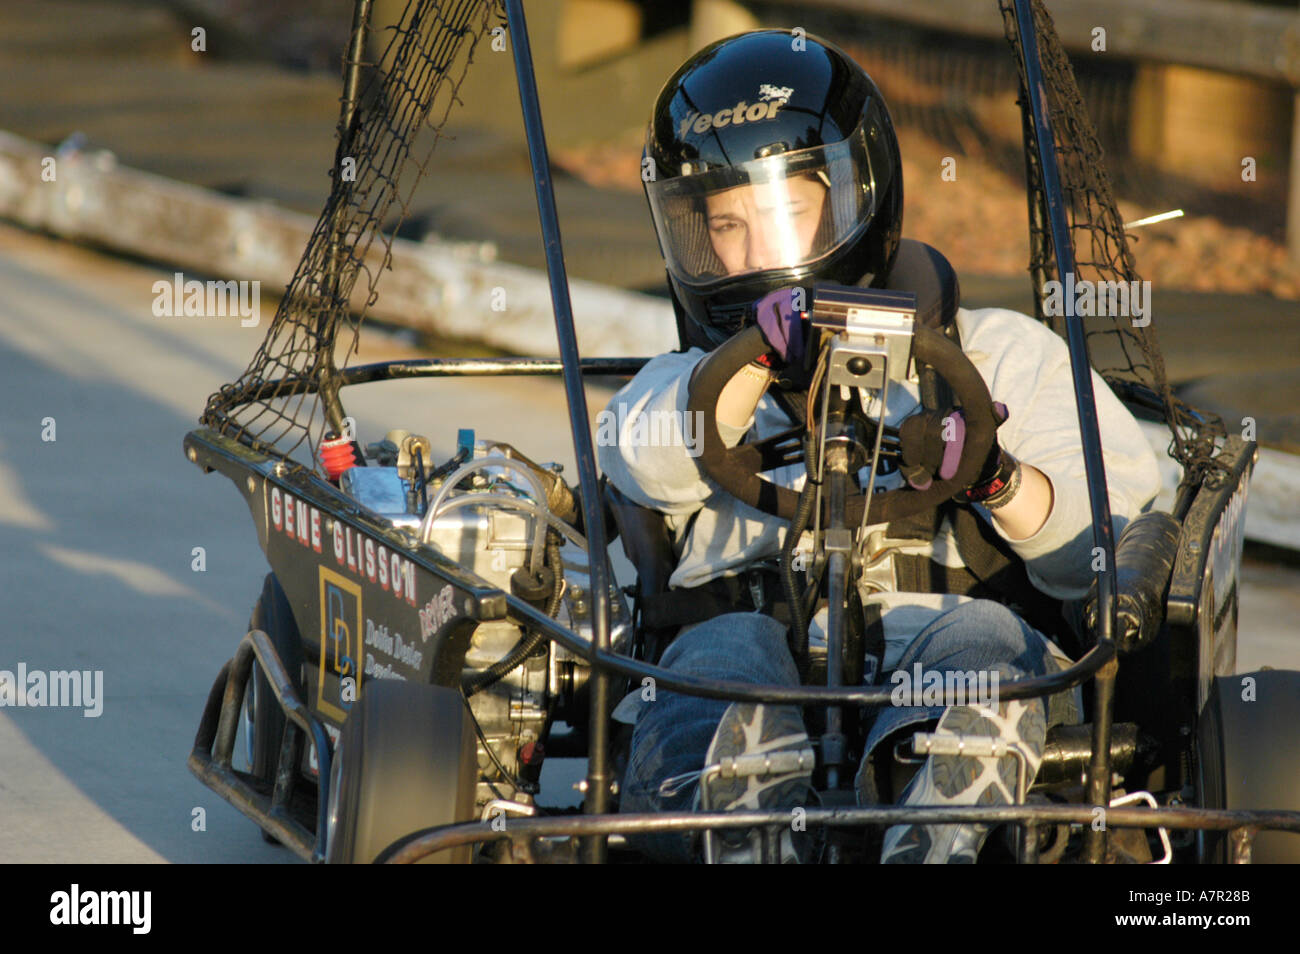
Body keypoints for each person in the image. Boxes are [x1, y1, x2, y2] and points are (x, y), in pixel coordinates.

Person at [598, 29, 1162, 863]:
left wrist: (993, 476)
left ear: (856, 194)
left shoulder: (1003, 355)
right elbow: (637, 458)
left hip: (934, 650)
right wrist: (750, 364)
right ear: (691, 235)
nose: (759, 256)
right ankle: (746, 814)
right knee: (726, 653)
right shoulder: (682, 381)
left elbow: (1099, 552)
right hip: (749, 651)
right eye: (727, 224)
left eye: (789, 212)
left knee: (985, 638)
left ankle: (937, 827)